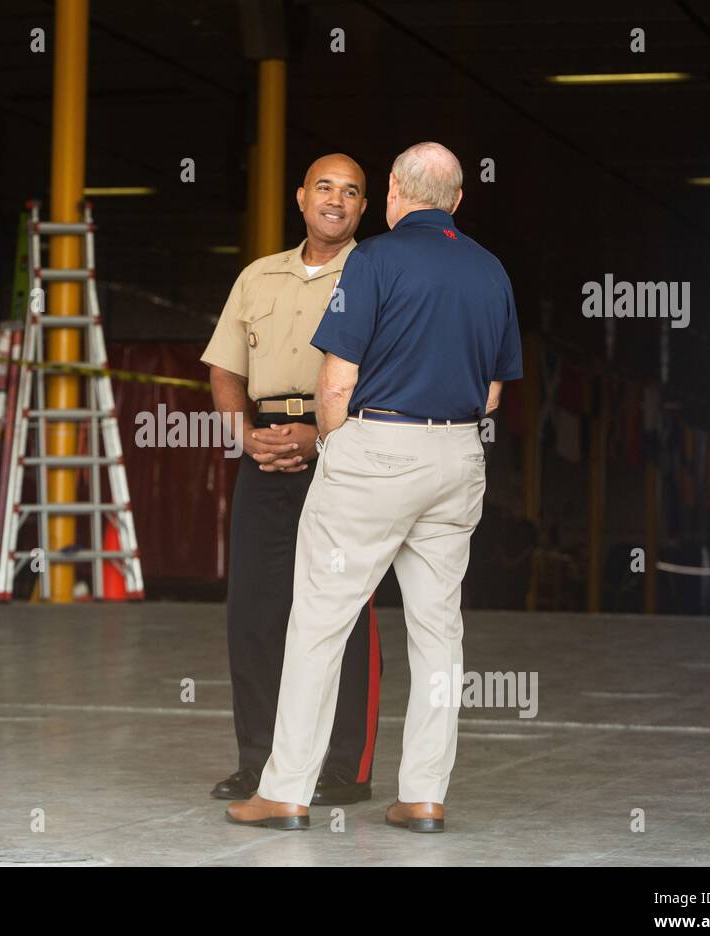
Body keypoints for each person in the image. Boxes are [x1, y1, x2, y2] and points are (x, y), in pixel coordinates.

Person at [226, 142, 522, 831]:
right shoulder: (490, 270)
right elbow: (495, 390)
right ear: (457, 200)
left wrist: (338, 446)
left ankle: (286, 792)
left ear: (392, 192)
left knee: (319, 622)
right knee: (438, 630)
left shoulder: (374, 260)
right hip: (457, 457)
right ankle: (423, 795)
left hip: (375, 450)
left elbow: (335, 378)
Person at [201, 154, 384, 806]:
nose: (336, 200)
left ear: (364, 208)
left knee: (343, 611)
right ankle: (259, 763)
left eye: (352, 192)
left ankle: (344, 768)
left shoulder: (376, 274)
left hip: (340, 450)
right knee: (252, 612)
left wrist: (321, 435)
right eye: (325, 188)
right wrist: (242, 436)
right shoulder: (258, 277)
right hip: (263, 453)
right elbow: (226, 369)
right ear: (301, 196)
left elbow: (387, 375)